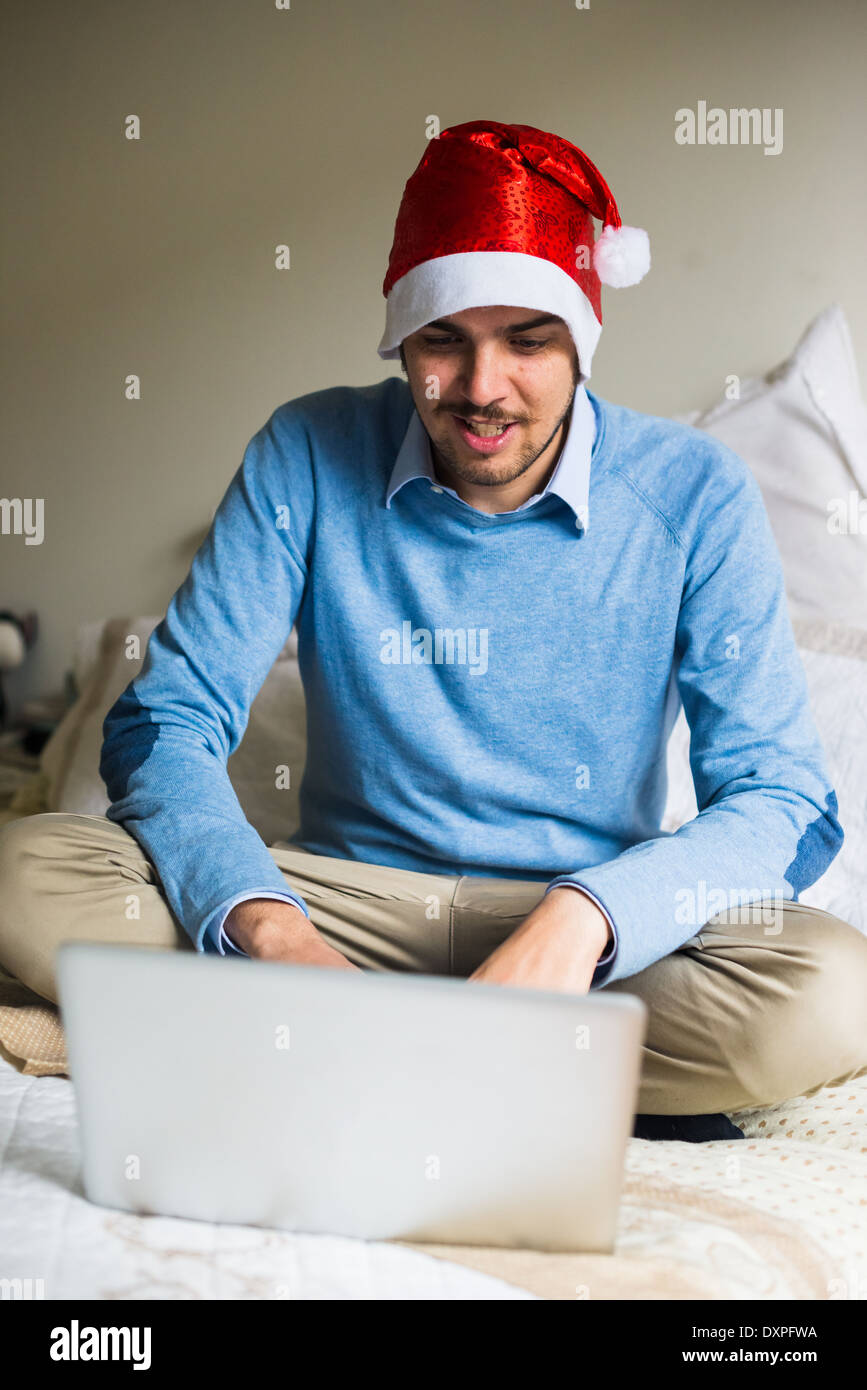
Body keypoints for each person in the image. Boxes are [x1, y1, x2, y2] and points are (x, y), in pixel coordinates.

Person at [2, 120, 866, 1143]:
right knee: (27, 870)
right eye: (444, 339)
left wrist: (584, 920)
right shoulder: (308, 450)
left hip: (576, 932)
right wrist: (268, 928)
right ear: (401, 338)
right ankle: (484, 1061)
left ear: (583, 337)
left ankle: (289, 1042)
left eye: (529, 339)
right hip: (341, 908)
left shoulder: (696, 493)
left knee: (831, 990)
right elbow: (164, 720)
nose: (483, 387)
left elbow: (782, 802)